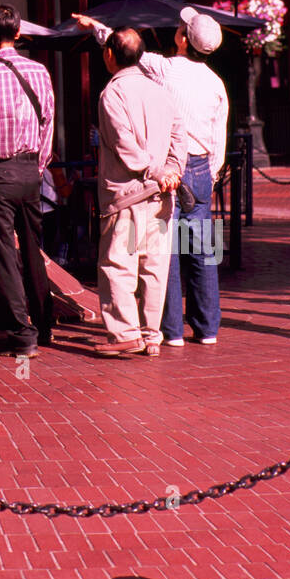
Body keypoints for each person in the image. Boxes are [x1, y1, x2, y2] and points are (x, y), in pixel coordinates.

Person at [75, 7, 229, 346]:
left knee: (164, 252)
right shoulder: (216, 83)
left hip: (162, 166)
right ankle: (207, 330)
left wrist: (97, 27)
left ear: (183, 39)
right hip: (200, 166)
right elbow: (219, 136)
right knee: (203, 252)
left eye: (180, 27)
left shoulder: (164, 69)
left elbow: (130, 55)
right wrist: (211, 173)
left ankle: (169, 331)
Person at [91, 28, 188, 357]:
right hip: (161, 194)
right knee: (154, 266)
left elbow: (124, 144)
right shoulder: (161, 91)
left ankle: (125, 335)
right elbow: (179, 135)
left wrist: (158, 172)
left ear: (109, 55)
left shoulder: (112, 93)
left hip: (128, 193)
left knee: (119, 264)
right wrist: (171, 171)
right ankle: (150, 335)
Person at [0, 3, 55, 358]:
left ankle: (21, 332)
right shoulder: (40, 71)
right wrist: (39, 165)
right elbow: (48, 122)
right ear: (18, 33)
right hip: (30, 170)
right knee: (33, 250)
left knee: (3, 254)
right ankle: (44, 323)